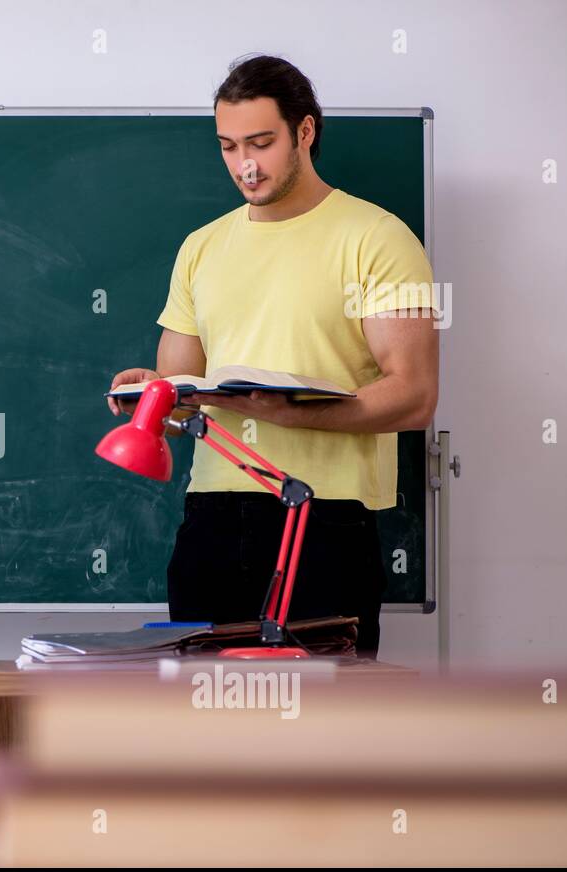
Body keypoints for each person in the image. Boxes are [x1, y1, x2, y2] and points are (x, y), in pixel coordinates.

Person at [108, 55, 438, 658]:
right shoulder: (201, 248)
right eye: (229, 146)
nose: (246, 164)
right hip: (212, 513)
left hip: (326, 515)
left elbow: (415, 395)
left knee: (323, 734)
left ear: (304, 132)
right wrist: (150, 394)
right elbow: (186, 402)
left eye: (261, 142)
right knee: (203, 726)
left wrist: (293, 413)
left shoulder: (380, 238)